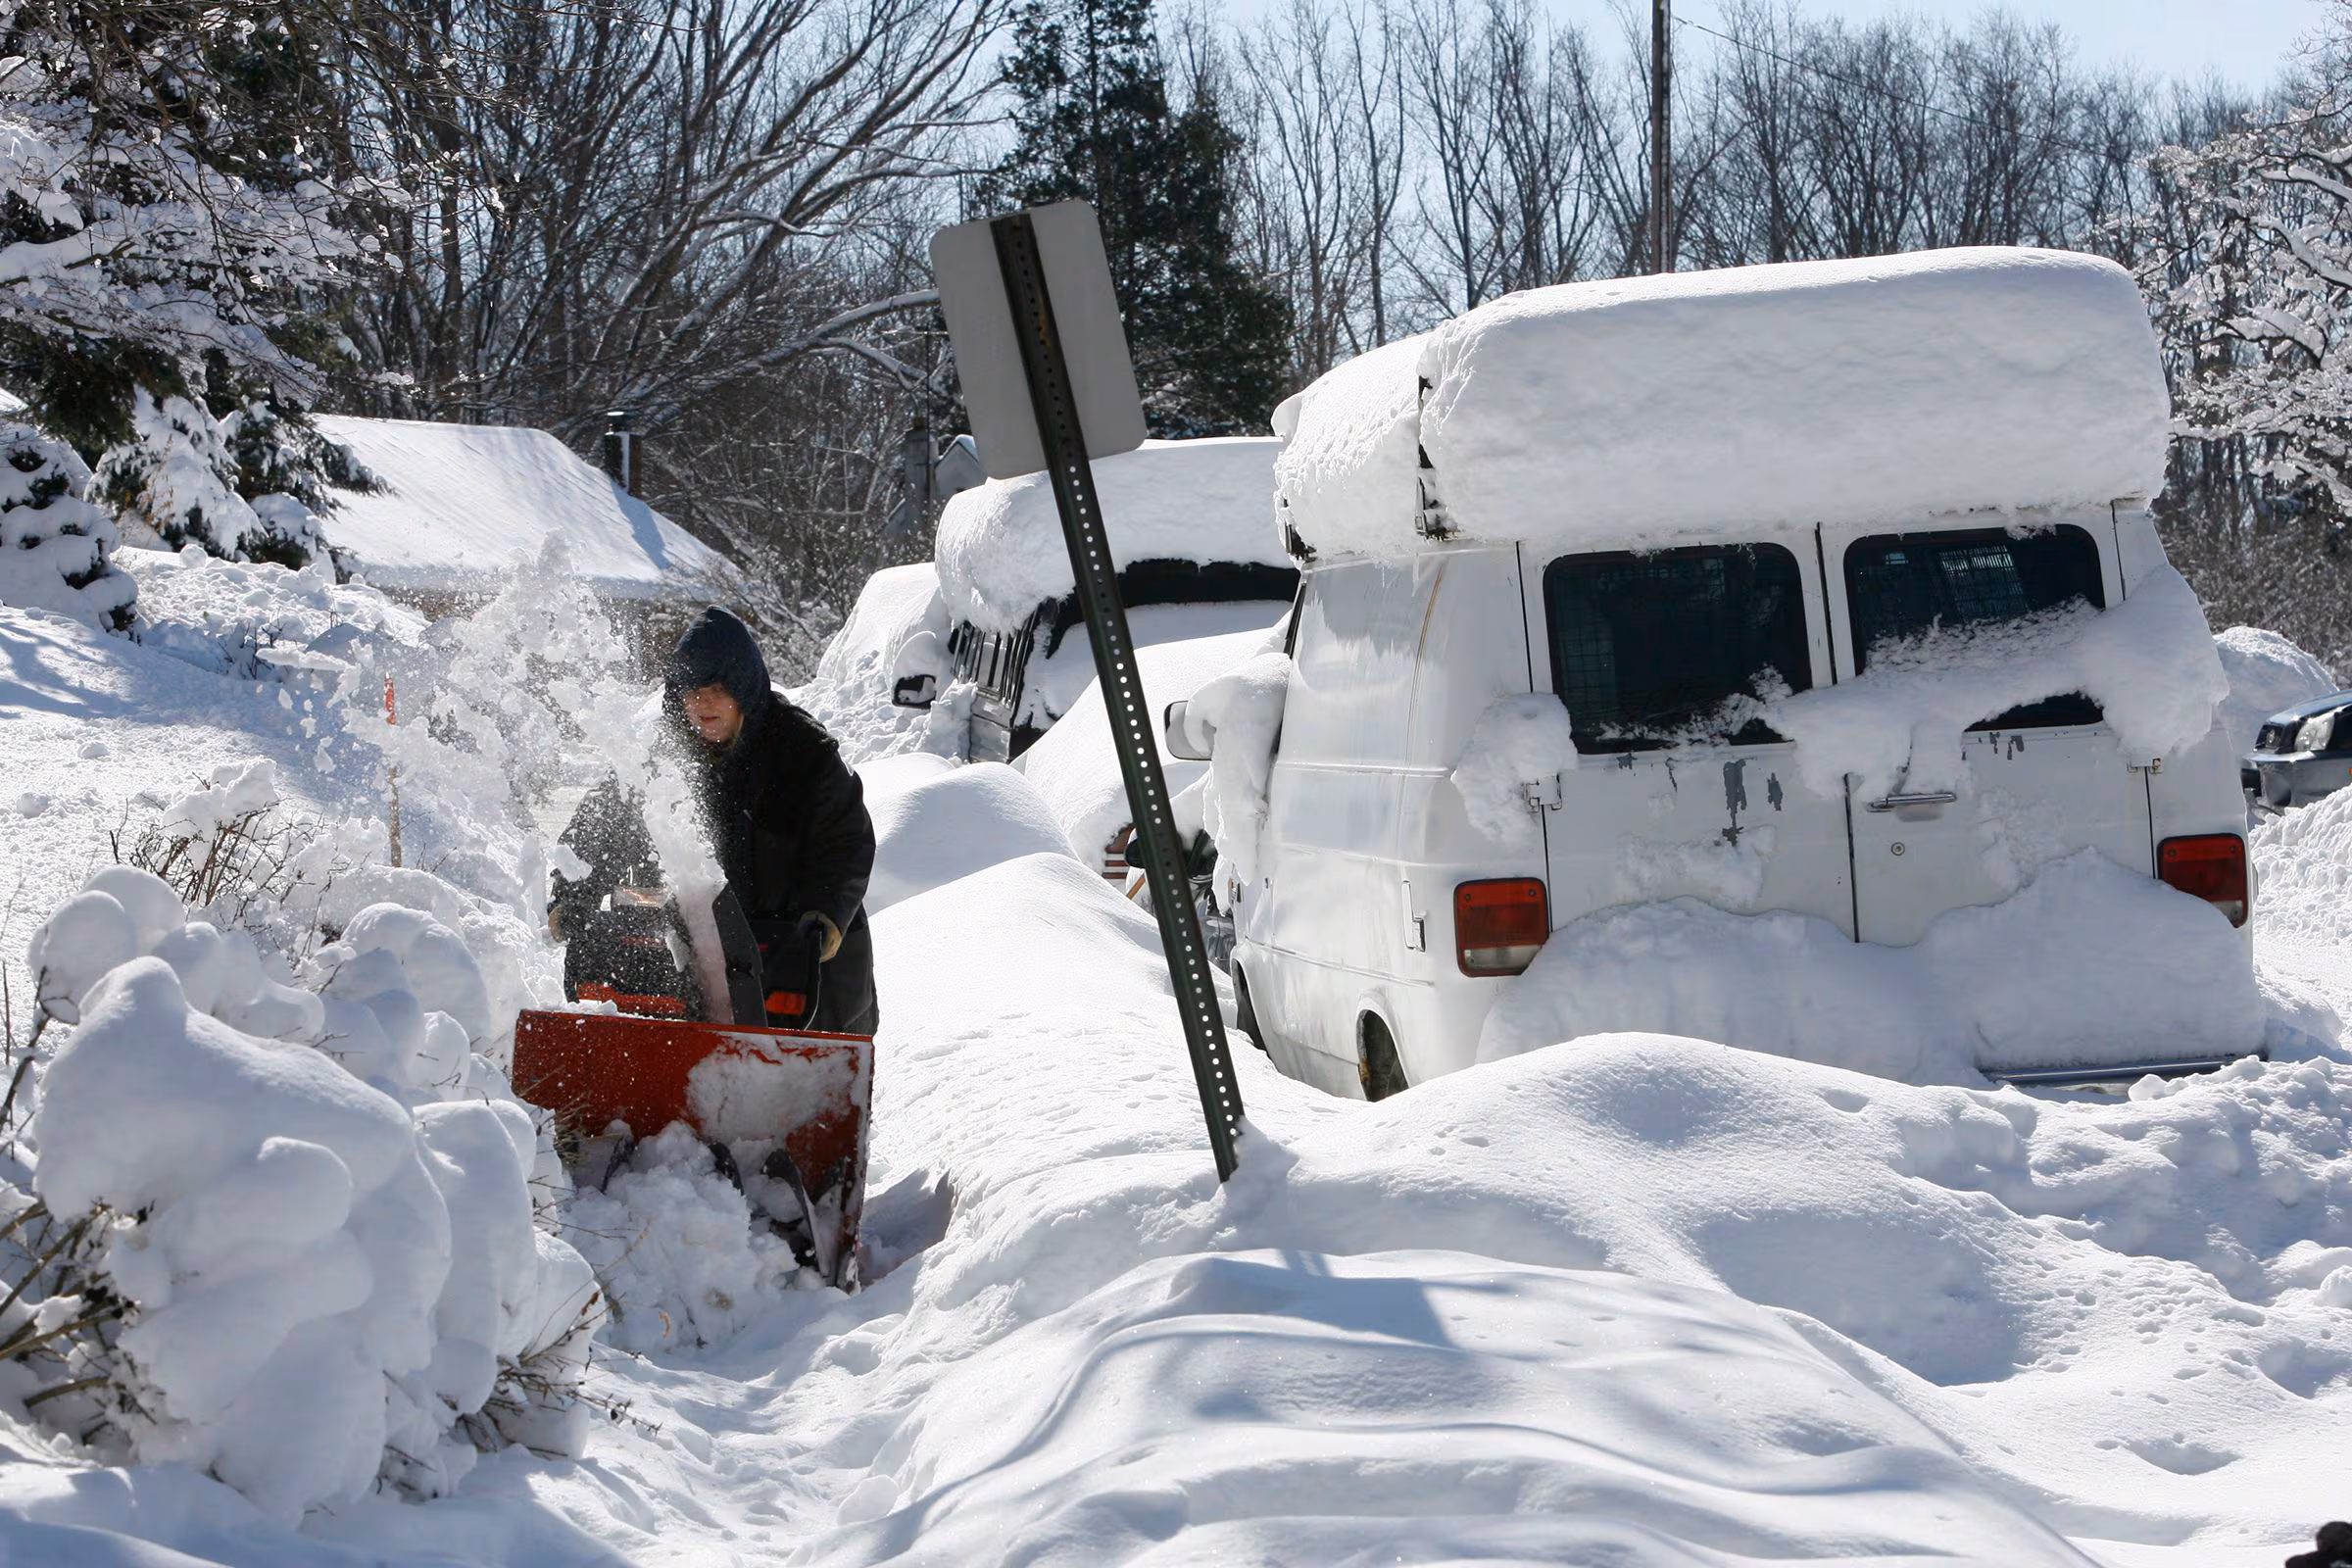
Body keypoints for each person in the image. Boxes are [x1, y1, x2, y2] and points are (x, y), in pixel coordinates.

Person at [551, 608, 879, 1035]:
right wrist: (572, 891)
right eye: (693, 690)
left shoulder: (804, 754)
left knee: (798, 1088)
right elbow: (600, 823)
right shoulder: (660, 755)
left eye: (718, 689)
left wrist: (827, 914)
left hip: (795, 964)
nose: (703, 703)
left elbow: (846, 842)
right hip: (694, 961)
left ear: (744, 690)